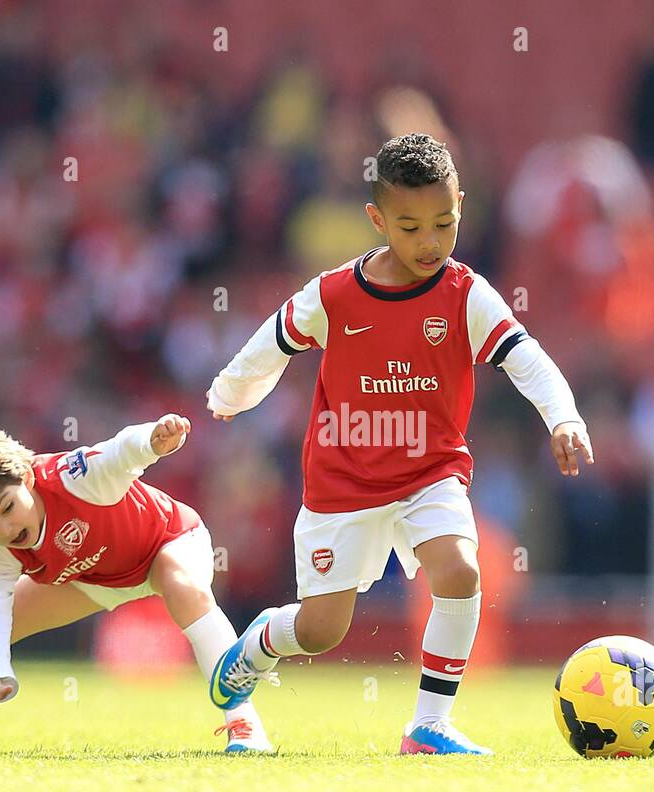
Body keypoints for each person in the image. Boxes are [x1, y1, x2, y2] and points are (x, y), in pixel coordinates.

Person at [205, 133, 594, 754]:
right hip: (343, 480)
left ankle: (428, 725)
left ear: (461, 206)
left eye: (444, 223)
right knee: (323, 629)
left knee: (461, 573)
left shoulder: (466, 295)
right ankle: (258, 644)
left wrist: (563, 417)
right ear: (377, 219)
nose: (430, 242)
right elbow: (270, 342)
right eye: (411, 227)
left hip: (429, 473)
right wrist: (229, 391)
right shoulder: (334, 294)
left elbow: (527, 359)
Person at [0, 400, 273, 753]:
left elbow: (118, 453)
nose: (3, 530)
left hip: (169, 542)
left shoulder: (73, 477)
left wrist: (153, 441)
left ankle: (244, 723)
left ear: (23, 473)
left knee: (182, 586)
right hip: (95, 579)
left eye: (6, 508)